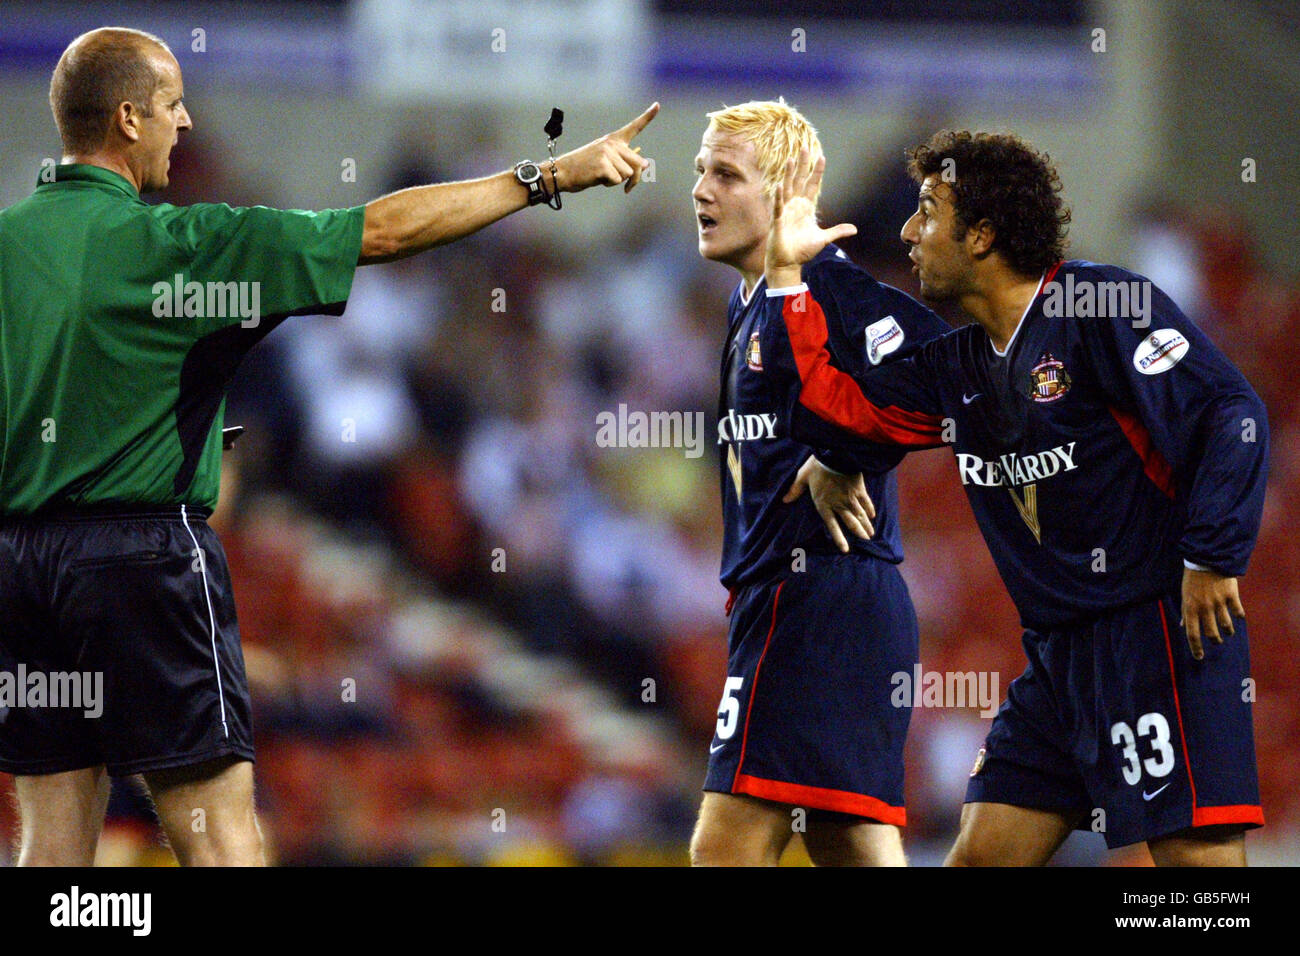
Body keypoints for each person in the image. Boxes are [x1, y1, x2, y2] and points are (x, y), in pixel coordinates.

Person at [0, 26, 657, 867]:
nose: (187, 123)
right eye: (172, 105)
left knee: (52, 850)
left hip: (22, 569)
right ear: (129, 119)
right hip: (143, 562)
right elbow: (380, 231)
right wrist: (547, 176)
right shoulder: (186, 246)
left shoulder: (12, 244)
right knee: (221, 838)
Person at [762, 132, 1268, 865]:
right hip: (1059, 660)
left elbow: (1232, 412)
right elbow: (846, 408)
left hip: (1158, 632)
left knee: (1194, 876)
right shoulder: (955, 363)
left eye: (927, 213)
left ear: (982, 234)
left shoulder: (1098, 304)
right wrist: (792, 274)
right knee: (979, 859)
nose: (906, 231)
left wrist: (1213, 557)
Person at [688, 99, 951, 866]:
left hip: (817, 601)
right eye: (700, 170)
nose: (701, 191)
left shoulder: (829, 289)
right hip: (820, 603)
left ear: (787, 192)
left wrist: (848, 458)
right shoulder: (752, 301)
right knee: (851, 844)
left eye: (725, 174)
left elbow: (950, 383)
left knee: (726, 846)